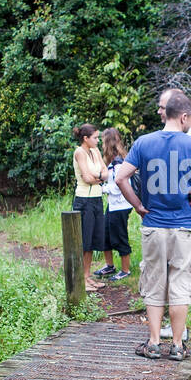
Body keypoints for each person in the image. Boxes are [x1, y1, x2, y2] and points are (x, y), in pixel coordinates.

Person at [117, 92, 191, 360]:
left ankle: (154, 342)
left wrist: (138, 206)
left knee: (155, 281)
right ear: (183, 116)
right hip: (185, 226)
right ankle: (178, 345)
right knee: (180, 282)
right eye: (189, 118)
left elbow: (121, 177)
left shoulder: (144, 143)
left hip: (154, 224)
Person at [72, 124, 110, 292]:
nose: (97, 140)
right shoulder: (79, 152)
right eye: (95, 137)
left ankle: (87, 276)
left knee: (94, 240)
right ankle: (81, 277)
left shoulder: (95, 152)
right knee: (84, 241)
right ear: (85, 139)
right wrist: (99, 177)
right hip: (84, 200)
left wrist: (99, 177)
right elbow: (86, 177)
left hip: (97, 199)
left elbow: (106, 172)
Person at [95, 127, 133, 281]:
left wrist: (103, 189)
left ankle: (125, 270)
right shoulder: (111, 162)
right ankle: (109, 266)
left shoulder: (118, 163)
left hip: (121, 206)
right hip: (113, 205)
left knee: (120, 236)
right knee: (105, 235)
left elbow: (120, 185)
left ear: (107, 143)